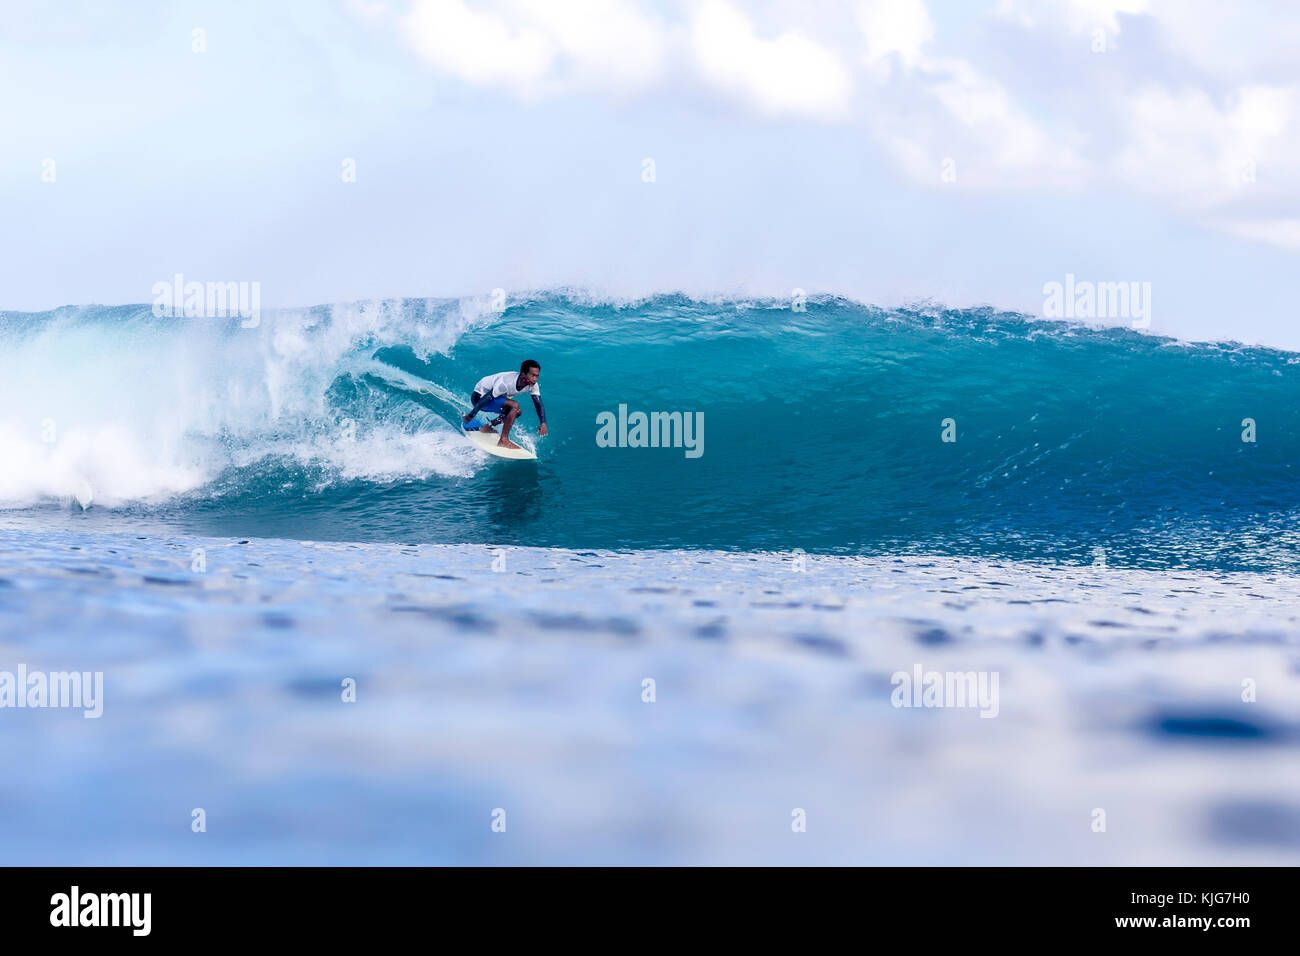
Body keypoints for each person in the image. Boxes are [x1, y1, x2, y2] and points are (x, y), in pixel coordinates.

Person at [464, 360, 548, 450]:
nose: (535, 379)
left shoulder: (532, 385)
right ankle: (503, 440)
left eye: (537, 376)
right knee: (514, 405)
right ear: (523, 373)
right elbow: (487, 397)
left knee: (517, 412)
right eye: (532, 375)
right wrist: (471, 415)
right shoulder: (506, 382)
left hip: (493, 399)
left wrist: (543, 422)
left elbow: (538, 403)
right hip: (479, 398)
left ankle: (488, 427)